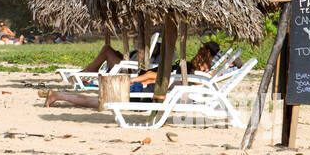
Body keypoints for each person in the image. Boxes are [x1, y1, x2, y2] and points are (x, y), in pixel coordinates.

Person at [44, 41, 221, 109]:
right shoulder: (194, 73)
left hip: (143, 93)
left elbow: (158, 79)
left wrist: (132, 80)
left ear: (207, 54)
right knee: (98, 101)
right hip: (143, 93)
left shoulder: (197, 75)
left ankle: (59, 95)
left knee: (99, 101)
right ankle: (59, 95)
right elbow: (158, 78)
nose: (197, 52)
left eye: (201, 51)